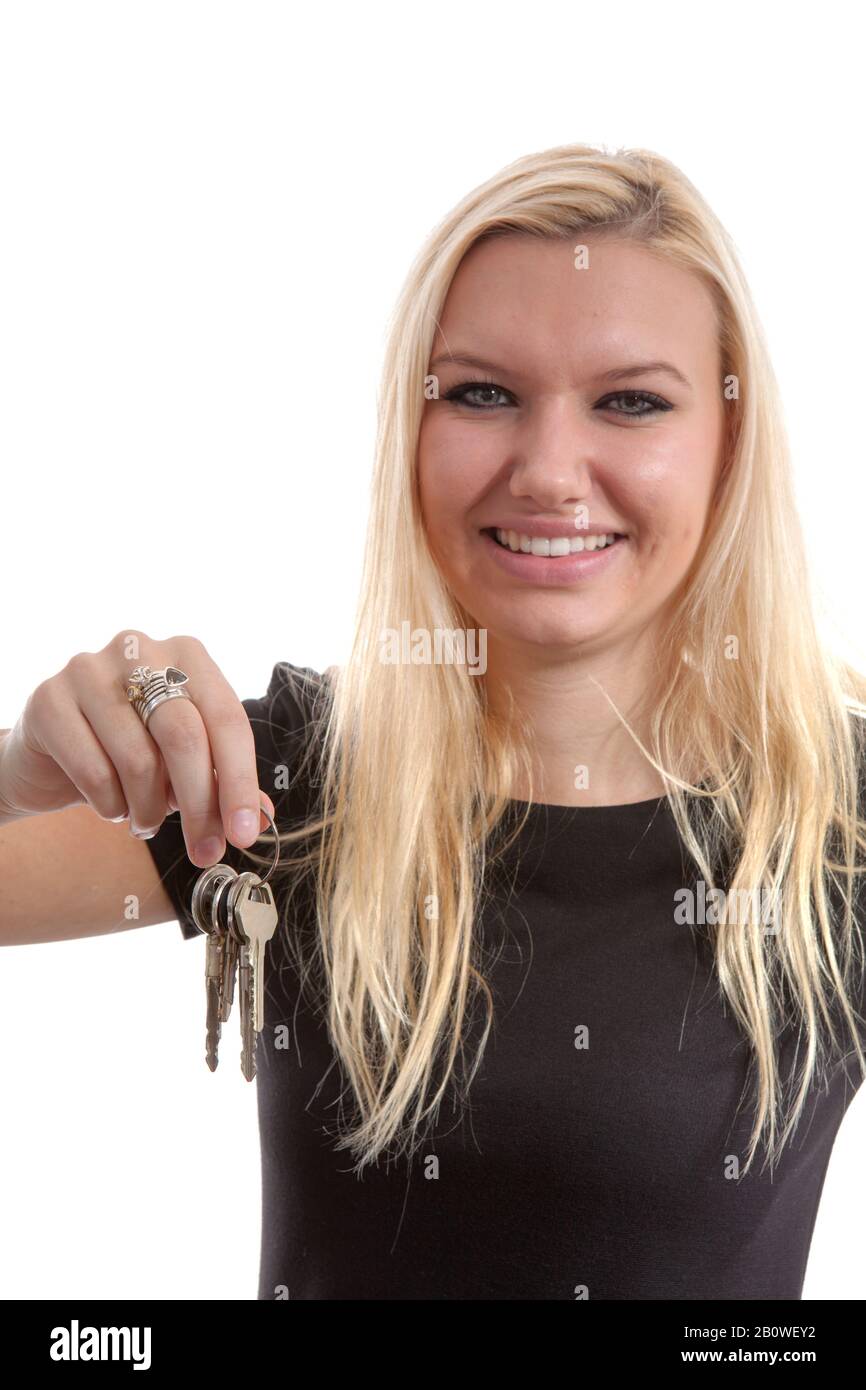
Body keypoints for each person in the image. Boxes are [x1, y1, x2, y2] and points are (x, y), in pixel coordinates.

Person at [2, 142, 865, 1301]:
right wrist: (19, 771)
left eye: (630, 401)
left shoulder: (840, 818)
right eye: (481, 393)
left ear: (726, 442)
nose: (550, 471)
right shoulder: (289, 776)